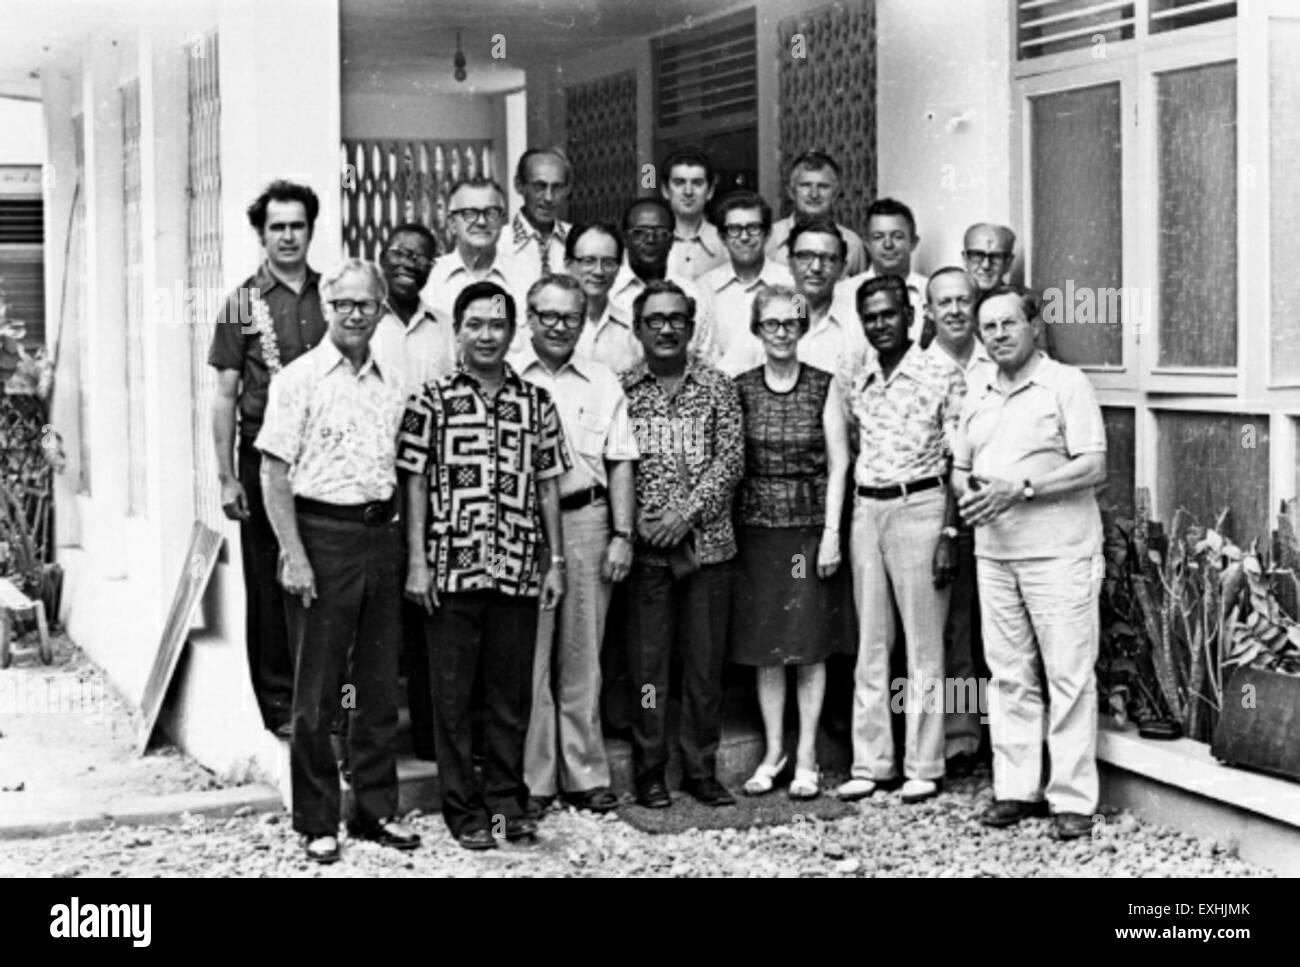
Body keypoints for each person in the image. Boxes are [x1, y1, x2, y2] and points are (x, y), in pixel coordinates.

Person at [256, 258, 419, 864]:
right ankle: (317, 819)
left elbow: (401, 470)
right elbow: (273, 473)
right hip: (321, 536)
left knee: (376, 686)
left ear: (381, 310)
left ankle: (377, 811)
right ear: (327, 308)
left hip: (380, 536)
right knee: (317, 691)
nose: (355, 314)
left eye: (366, 304)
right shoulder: (297, 380)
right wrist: (293, 554)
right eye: (344, 304)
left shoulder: (392, 381)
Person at [398, 280, 568, 851]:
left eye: (497, 325)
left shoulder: (536, 402)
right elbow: (415, 482)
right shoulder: (431, 400)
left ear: (512, 332)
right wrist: (417, 562)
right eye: (475, 324)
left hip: (517, 566)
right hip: (451, 568)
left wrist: (556, 561)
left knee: (508, 697)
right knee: (451, 698)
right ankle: (462, 809)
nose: (486, 335)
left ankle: (504, 804)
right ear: (458, 331)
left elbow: (548, 484)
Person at [952, 283, 1107, 841]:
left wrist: (1022, 488)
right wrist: (968, 495)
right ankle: (1017, 788)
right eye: (987, 327)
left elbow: (1093, 466)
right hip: (995, 554)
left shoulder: (1066, 384)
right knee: (1010, 675)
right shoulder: (977, 388)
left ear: (1034, 326)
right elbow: (961, 463)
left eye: (1008, 324)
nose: (996, 335)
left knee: (1068, 674)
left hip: (1059, 554)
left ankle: (1071, 798)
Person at [511, 275, 639, 817]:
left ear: (583, 319)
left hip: (586, 519)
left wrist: (622, 533)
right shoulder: (508, 375)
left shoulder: (602, 380)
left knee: (583, 654)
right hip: (525, 531)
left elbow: (622, 461)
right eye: (548, 315)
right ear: (530, 318)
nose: (559, 326)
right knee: (530, 657)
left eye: (570, 316)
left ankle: (584, 774)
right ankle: (535, 780)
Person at [837, 275, 965, 806]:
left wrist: (950, 532)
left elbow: (962, 458)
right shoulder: (857, 373)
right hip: (868, 508)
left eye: (889, 314)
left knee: (923, 646)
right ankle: (871, 763)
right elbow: (850, 441)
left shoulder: (942, 372)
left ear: (911, 317)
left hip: (922, 507)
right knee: (871, 642)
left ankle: (924, 764)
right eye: (870, 316)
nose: (880, 324)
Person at [208, 180, 327, 736]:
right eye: (277, 226)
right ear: (261, 234)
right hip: (261, 459)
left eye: (296, 225)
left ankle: (325, 702)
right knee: (269, 576)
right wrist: (227, 478)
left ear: (310, 229)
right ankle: (280, 707)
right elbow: (225, 394)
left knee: (323, 571)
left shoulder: (332, 296)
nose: (287, 236)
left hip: (324, 459)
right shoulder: (241, 303)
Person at [622, 279, 743, 809]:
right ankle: (649, 771)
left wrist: (685, 515)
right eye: (655, 320)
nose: (666, 328)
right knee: (649, 669)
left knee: (703, 665)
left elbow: (731, 460)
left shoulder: (718, 387)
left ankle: (701, 769)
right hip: (648, 553)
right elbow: (618, 461)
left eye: (676, 319)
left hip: (709, 549)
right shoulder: (623, 389)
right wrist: (645, 523)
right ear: (637, 329)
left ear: (691, 328)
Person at [730, 286, 853, 801]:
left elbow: (839, 461)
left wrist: (830, 535)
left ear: (803, 329)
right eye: (771, 324)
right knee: (766, 650)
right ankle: (773, 752)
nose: (781, 332)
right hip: (757, 534)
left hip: (807, 534)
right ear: (757, 330)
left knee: (808, 647)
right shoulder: (740, 388)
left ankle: (806, 759)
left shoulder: (824, 385)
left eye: (790, 323)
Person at [372, 221, 457, 761]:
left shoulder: (445, 329)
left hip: (434, 482)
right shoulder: (361, 324)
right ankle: (376, 745)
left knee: (431, 610)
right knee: (380, 614)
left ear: (433, 265)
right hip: (376, 485)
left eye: (420, 256)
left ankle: (431, 739)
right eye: (399, 252)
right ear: (382, 256)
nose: (408, 262)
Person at [923, 267, 995, 777]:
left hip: (1000, 509)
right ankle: (959, 737)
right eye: (943, 302)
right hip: (943, 515)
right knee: (951, 630)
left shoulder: (998, 362)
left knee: (995, 630)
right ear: (928, 311)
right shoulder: (918, 370)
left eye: (963, 301)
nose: (954, 310)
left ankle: (1002, 735)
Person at [719, 217, 867, 379]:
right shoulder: (768, 316)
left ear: (842, 268)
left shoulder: (856, 324)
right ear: (790, 263)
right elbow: (723, 379)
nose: (816, 268)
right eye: (805, 257)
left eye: (828, 259)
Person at [609, 197, 718, 364]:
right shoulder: (608, 294)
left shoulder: (694, 295)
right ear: (624, 238)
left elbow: (708, 363)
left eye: (660, 233)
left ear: (672, 240)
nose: (650, 240)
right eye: (640, 232)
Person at [697, 191, 793, 359]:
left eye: (753, 228)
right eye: (734, 229)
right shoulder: (704, 288)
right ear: (722, 237)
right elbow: (700, 349)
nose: (744, 237)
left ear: (767, 233)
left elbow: (804, 333)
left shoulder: (793, 284)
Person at [421, 176, 530, 321]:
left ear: (502, 221)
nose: (481, 222)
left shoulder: (525, 276)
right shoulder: (430, 278)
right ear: (452, 223)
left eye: (491, 212)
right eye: (469, 213)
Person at [766, 150, 868, 277]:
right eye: (805, 185)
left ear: (835, 194)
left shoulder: (853, 244)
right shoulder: (769, 239)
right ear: (791, 192)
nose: (814, 194)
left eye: (823, 186)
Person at [837, 198, 928, 335]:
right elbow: (801, 310)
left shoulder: (931, 292)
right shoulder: (842, 293)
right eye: (878, 237)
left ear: (913, 242)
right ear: (867, 243)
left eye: (897, 236)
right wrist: (797, 295)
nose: (888, 245)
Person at [565, 222, 642, 374]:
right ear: (568, 263)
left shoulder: (633, 331)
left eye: (608, 263)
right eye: (589, 261)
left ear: (619, 267)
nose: (598, 271)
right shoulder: (548, 325)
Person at [660, 148, 728, 281]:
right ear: (665, 190)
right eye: (679, 182)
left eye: (697, 183)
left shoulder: (726, 244)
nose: (688, 191)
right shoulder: (651, 242)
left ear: (710, 191)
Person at [510, 149, 572, 278]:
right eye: (539, 186)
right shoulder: (497, 244)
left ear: (567, 189)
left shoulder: (579, 241)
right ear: (519, 185)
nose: (549, 197)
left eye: (557, 187)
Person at [961, 223, 1017, 294]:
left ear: (1008, 262)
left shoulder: (1023, 302)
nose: (986, 265)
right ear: (965, 259)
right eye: (978, 255)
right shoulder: (951, 301)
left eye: (996, 256)